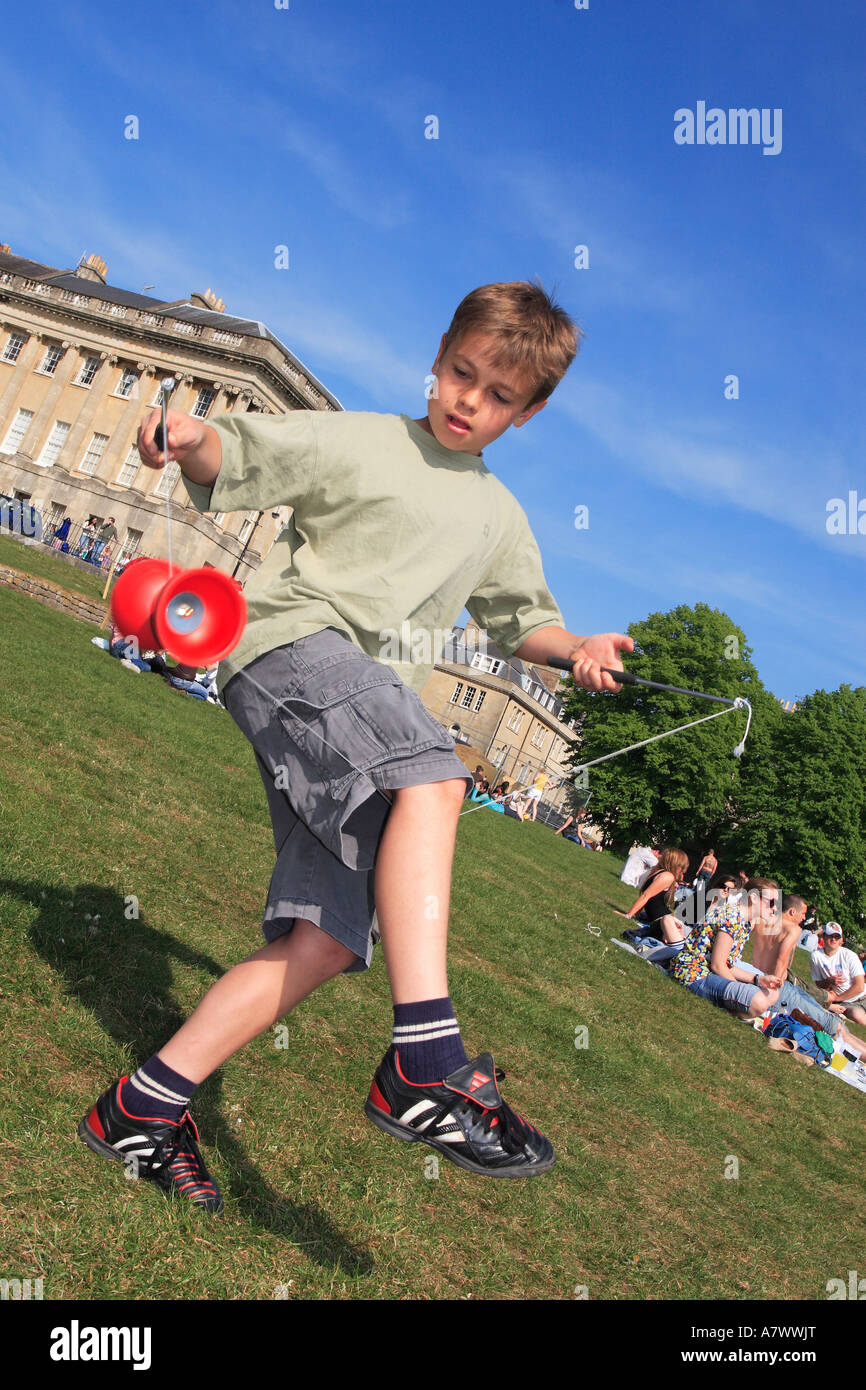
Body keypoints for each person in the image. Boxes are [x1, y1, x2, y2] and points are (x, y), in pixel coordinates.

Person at [79, 279, 636, 1208]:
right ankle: (427, 1059)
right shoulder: (370, 441)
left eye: (498, 396)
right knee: (437, 776)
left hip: (361, 715)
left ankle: (142, 1107)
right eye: (461, 374)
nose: (469, 401)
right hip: (290, 649)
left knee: (329, 940)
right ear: (441, 354)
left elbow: (518, 622)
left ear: (529, 414)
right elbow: (245, 452)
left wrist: (572, 647)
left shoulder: (499, 518)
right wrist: (188, 437)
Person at [744, 896, 866, 1060]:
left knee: (836, 1026)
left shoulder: (765, 924)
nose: (804, 917)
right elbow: (780, 971)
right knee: (835, 1028)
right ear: (792, 911)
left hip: (776, 987)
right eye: (802, 913)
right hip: (779, 991)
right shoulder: (792, 930)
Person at [670, 877, 782, 1017]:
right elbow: (718, 965)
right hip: (694, 974)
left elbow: (726, 964)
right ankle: (740, 1011)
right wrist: (740, 989)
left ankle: (738, 1010)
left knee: (773, 993)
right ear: (753, 898)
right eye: (771, 903)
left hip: (708, 972)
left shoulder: (744, 922)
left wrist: (758, 979)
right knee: (758, 1001)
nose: (775, 908)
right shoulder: (733, 917)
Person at [615, 849, 690, 945]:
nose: (682, 871)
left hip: (661, 921)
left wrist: (636, 914)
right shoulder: (668, 876)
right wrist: (628, 915)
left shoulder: (657, 872)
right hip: (662, 923)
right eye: (681, 868)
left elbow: (648, 897)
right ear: (676, 865)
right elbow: (646, 896)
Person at [809, 923, 866, 1025]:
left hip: (863, 995)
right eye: (830, 936)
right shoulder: (816, 956)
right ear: (824, 936)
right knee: (857, 1015)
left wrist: (837, 999)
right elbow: (818, 984)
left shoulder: (849, 955)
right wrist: (829, 981)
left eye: (837, 937)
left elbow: (860, 986)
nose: (833, 939)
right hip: (847, 1003)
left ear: (841, 940)